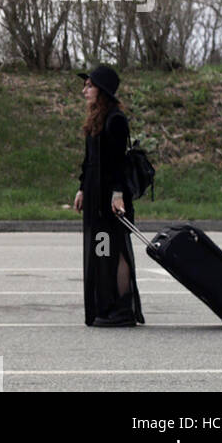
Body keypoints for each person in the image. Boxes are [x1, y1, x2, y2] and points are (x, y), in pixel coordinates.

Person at [74, 64, 145, 327]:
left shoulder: (115, 119)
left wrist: (117, 194)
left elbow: (117, 163)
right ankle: (105, 304)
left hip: (110, 195)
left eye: (89, 85)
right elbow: (89, 158)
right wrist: (82, 187)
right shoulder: (96, 119)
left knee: (115, 249)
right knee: (101, 249)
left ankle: (122, 308)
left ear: (102, 90)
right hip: (94, 191)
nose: (84, 90)